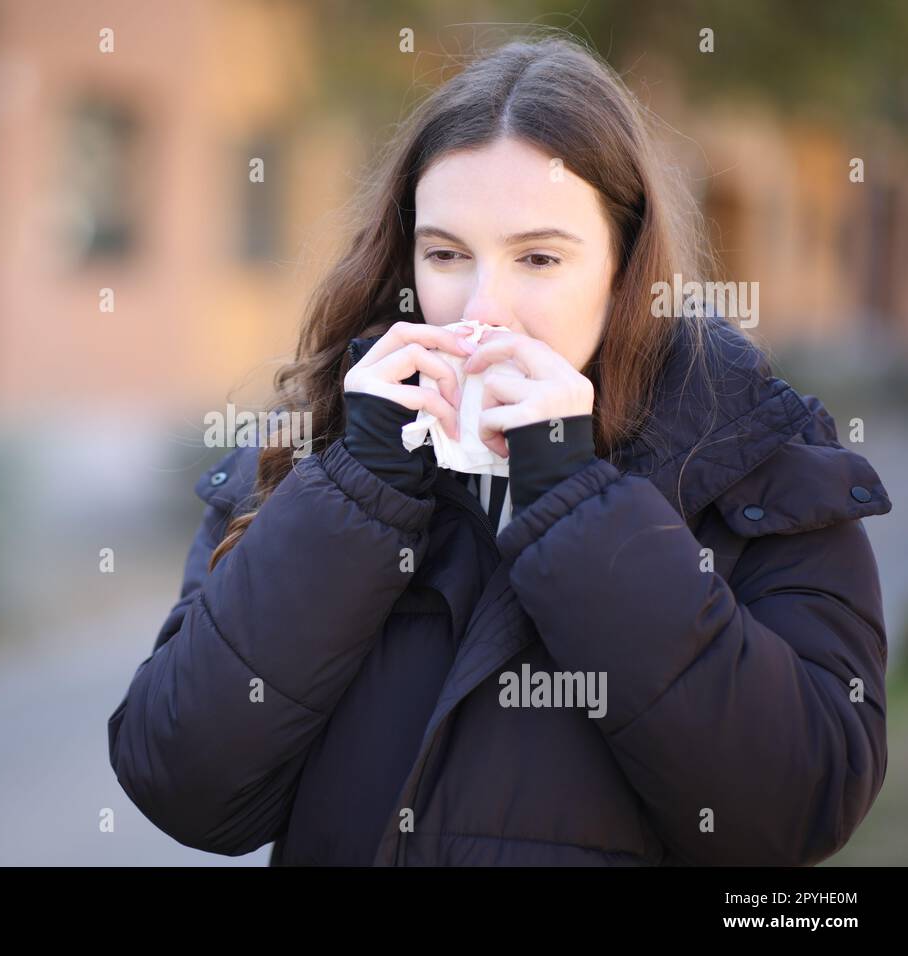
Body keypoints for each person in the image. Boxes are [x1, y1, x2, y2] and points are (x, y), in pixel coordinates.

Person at [107, 35, 893, 866]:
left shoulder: (752, 457)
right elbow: (182, 787)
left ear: (625, 266)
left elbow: (799, 808)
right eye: (447, 254)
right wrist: (358, 493)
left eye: (539, 258)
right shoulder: (317, 452)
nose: (484, 309)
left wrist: (573, 503)